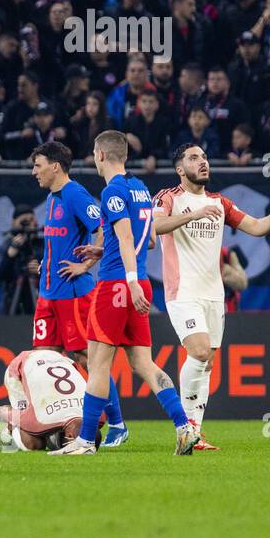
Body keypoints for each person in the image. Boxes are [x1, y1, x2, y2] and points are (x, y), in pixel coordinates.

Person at [51, 131, 202, 455]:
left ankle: (85, 440)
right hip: (139, 281)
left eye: (94, 153)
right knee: (144, 364)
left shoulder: (113, 191)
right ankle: (184, 427)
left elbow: (123, 239)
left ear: (101, 155)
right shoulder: (139, 189)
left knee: (98, 363)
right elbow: (145, 241)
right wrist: (100, 251)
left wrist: (128, 279)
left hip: (118, 286)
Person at [152, 144, 270, 450]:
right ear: (180, 169)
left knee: (207, 364)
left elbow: (255, 227)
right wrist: (193, 216)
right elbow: (154, 226)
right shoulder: (169, 197)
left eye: (204, 157)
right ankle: (184, 426)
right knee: (200, 351)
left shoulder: (220, 202)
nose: (202, 162)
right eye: (194, 158)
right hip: (183, 291)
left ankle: (194, 434)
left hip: (214, 295)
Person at [27, 142, 129, 445]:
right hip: (48, 294)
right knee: (44, 359)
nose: (34, 172)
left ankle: (118, 424)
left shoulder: (74, 193)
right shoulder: (52, 197)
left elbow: (102, 225)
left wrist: (86, 265)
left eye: (38, 165)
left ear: (55, 166)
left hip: (74, 293)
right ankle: (54, 424)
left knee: (87, 357)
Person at [1, 350, 90, 452]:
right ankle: (8, 429)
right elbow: (21, 417)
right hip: (22, 366)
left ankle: (53, 434)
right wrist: (6, 414)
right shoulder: (44, 418)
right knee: (33, 444)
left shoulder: (97, 415)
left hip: (61, 361)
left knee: (60, 440)